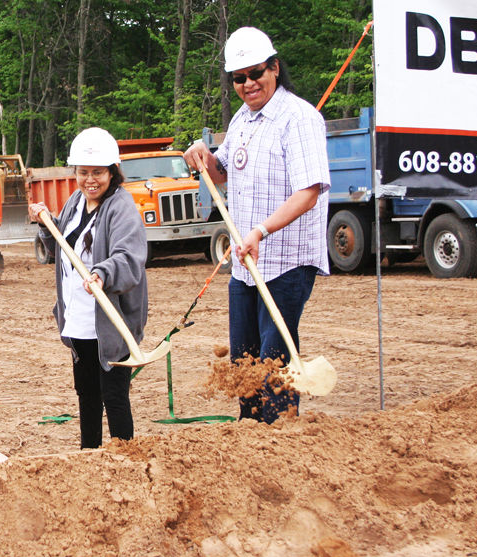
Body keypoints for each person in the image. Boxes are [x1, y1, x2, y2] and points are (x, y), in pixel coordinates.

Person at [183, 27, 330, 423]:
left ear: (275, 68)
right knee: (245, 359)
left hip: (286, 261)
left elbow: (309, 192)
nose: (248, 84)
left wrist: (260, 231)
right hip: (246, 265)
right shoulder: (244, 120)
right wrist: (202, 157)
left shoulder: (299, 118)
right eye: (239, 78)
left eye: (256, 73)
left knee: (273, 360)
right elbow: (222, 173)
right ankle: (250, 437)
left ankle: (279, 435)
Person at [28, 127, 149, 449]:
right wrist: (46, 224)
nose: (89, 180)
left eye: (97, 172)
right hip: (80, 316)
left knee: (114, 395)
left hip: (111, 319)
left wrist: (103, 274)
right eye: (83, 172)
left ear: (112, 172)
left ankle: (125, 457)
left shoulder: (121, 206)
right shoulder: (75, 202)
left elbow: (130, 257)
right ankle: (90, 454)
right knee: (86, 393)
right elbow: (62, 250)